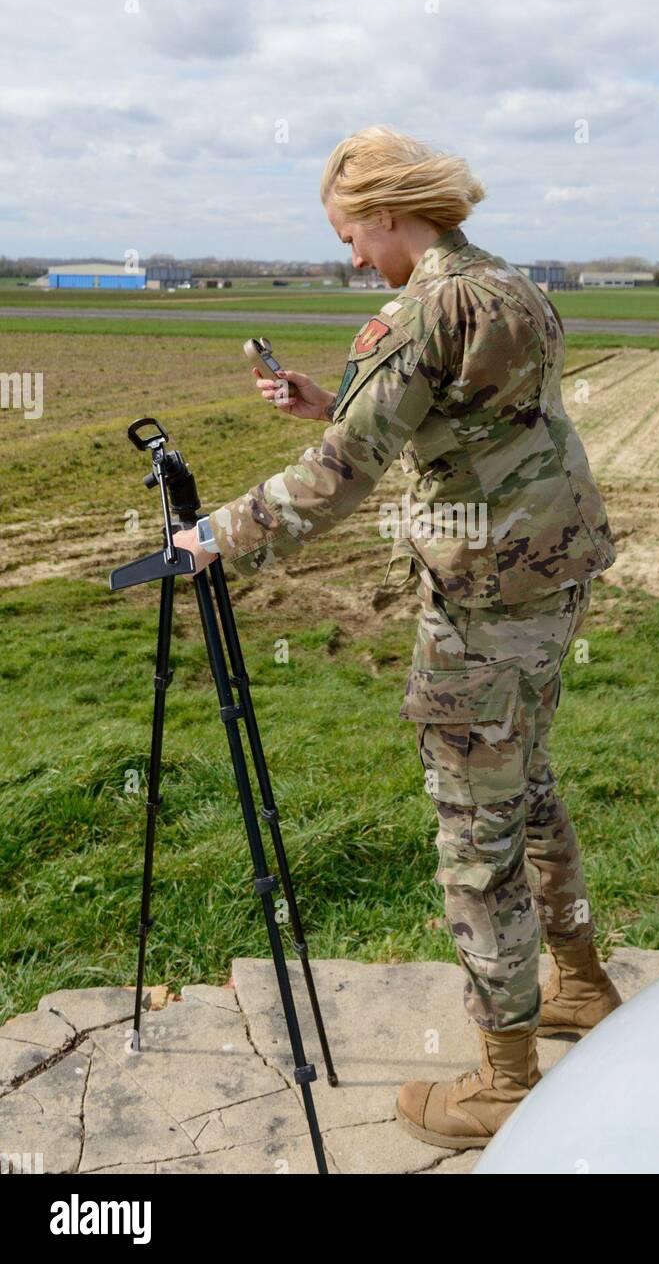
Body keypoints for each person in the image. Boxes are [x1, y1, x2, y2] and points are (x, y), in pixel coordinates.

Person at [174, 126, 623, 1151]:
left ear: (384, 212)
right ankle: (581, 981)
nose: (348, 256)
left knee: (475, 835)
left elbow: (338, 476)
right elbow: (469, 421)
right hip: (551, 580)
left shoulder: (414, 310)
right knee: (530, 783)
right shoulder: (512, 286)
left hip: (477, 605)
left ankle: (503, 1082)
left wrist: (215, 536)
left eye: (347, 234)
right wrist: (324, 400)